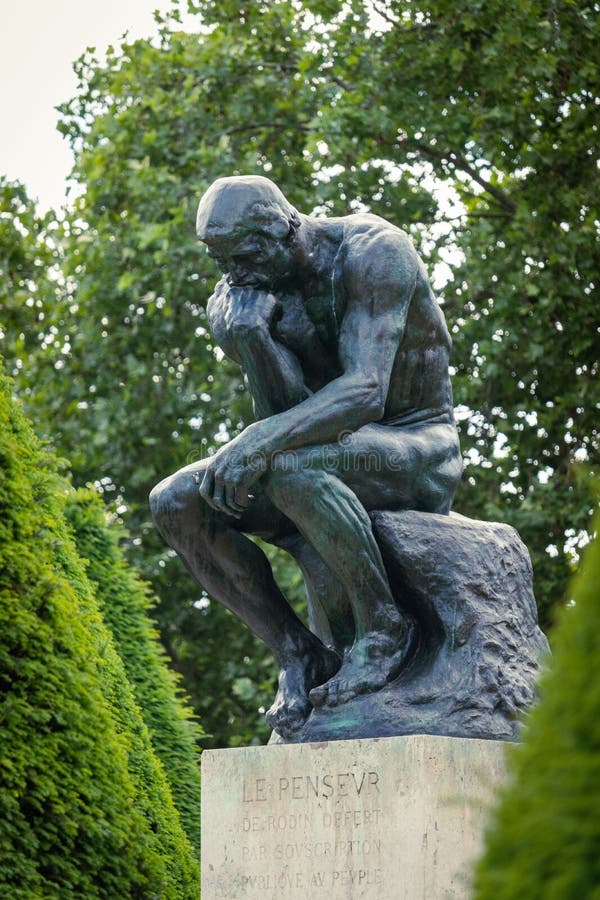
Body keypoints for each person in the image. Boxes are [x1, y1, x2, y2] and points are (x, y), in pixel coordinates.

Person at [150, 175, 462, 739]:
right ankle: (299, 653)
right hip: (331, 455)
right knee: (175, 502)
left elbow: (367, 391)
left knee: (292, 464)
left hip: (417, 446)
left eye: (242, 256)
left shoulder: (373, 252)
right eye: (220, 262)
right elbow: (290, 411)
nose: (233, 275)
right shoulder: (254, 294)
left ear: (280, 226)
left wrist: (256, 442)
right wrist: (252, 342)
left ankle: (384, 631)